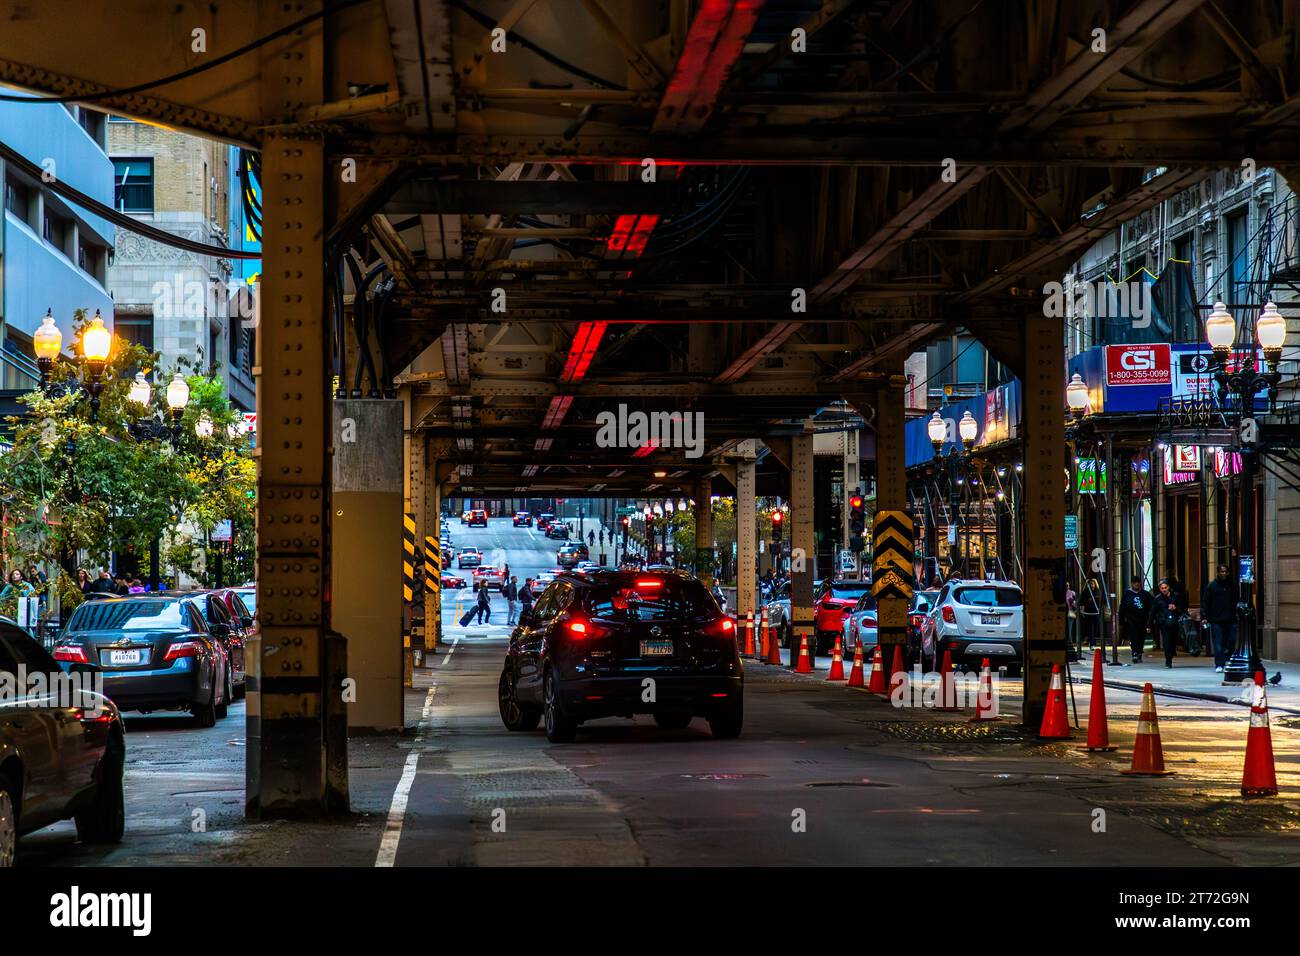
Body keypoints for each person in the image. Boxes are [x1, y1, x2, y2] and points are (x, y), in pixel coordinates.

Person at [1201, 563, 1238, 673]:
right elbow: (1205, 602)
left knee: (1231, 640)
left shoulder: (1233, 586)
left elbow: (1237, 600)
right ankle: (1219, 663)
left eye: (1226, 571)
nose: (1224, 573)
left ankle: (1227, 658)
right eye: (1222, 571)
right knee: (1218, 643)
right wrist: (1204, 616)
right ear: (1218, 572)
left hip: (1231, 619)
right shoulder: (1212, 586)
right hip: (1216, 620)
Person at [1119, 575, 1155, 663]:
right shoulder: (1127, 594)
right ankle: (1134, 652)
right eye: (1135, 583)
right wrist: (1121, 620)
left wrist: (1151, 620)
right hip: (1131, 619)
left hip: (1143, 619)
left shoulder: (1145, 594)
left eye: (1138, 583)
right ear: (1132, 584)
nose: (1137, 585)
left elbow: (1152, 606)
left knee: (1141, 637)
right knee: (1133, 636)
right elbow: (1122, 607)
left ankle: (1139, 652)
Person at [1155, 578, 1186, 668]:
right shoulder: (1158, 599)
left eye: (1165, 587)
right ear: (1160, 589)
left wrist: (1175, 608)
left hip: (1174, 622)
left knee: (1173, 641)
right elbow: (1153, 611)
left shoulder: (1175, 596)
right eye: (1162, 588)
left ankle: (1171, 653)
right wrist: (1149, 624)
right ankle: (1168, 661)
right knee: (1166, 641)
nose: (1164, 589)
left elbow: (1182, 609)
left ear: (1168, 587)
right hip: (1163, 623)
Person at [1079, 577, 1103, 649]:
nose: (1091, 585)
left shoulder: (1098, 591)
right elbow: (1082, 602)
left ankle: (1092, 641)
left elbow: (1101, 602)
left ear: (1095, 584)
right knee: (1090, 628)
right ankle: (1092, 644)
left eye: (1093, 584)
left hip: (1096, 612)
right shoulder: (1085, 592)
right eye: (1090, 584)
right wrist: (1082, 611)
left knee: (1096, 628)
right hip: (1088, 612)